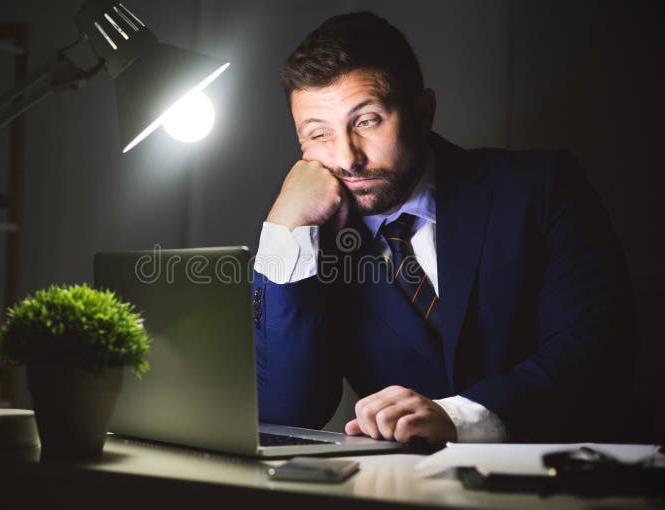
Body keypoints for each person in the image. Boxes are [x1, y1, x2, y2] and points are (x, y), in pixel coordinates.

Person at [252, 11, 639, 448]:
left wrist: (460, 416)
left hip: (573, 474)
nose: (347, 158)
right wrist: (282, 229)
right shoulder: (310, 243)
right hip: (409, 490)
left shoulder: (541, 187)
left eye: (367, 121)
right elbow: (285, 412)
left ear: (423, 111)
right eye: (318, 134)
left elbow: (598, 347)